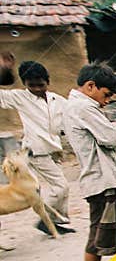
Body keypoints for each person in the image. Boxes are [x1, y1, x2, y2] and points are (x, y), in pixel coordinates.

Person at [63, 62, 116, 261]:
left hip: (109, 179)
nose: (106, 101)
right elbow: (112, 138)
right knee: (99, 238)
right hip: (102, 182)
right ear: (91, 86)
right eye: (106, 95)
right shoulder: (83, 108)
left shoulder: (78, 106)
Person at [0, 54, 74, 234]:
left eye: (40, 85)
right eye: (31, 86)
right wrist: (3, 71)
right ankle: (46, 220)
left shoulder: (57, 100)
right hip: (35, 151)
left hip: (53, 149)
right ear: (25, 84)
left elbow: (71, 118)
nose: (36, 89)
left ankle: (54, 220)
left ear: (47, 82)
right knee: (61, 186)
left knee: (56, 187)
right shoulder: (20, 97)